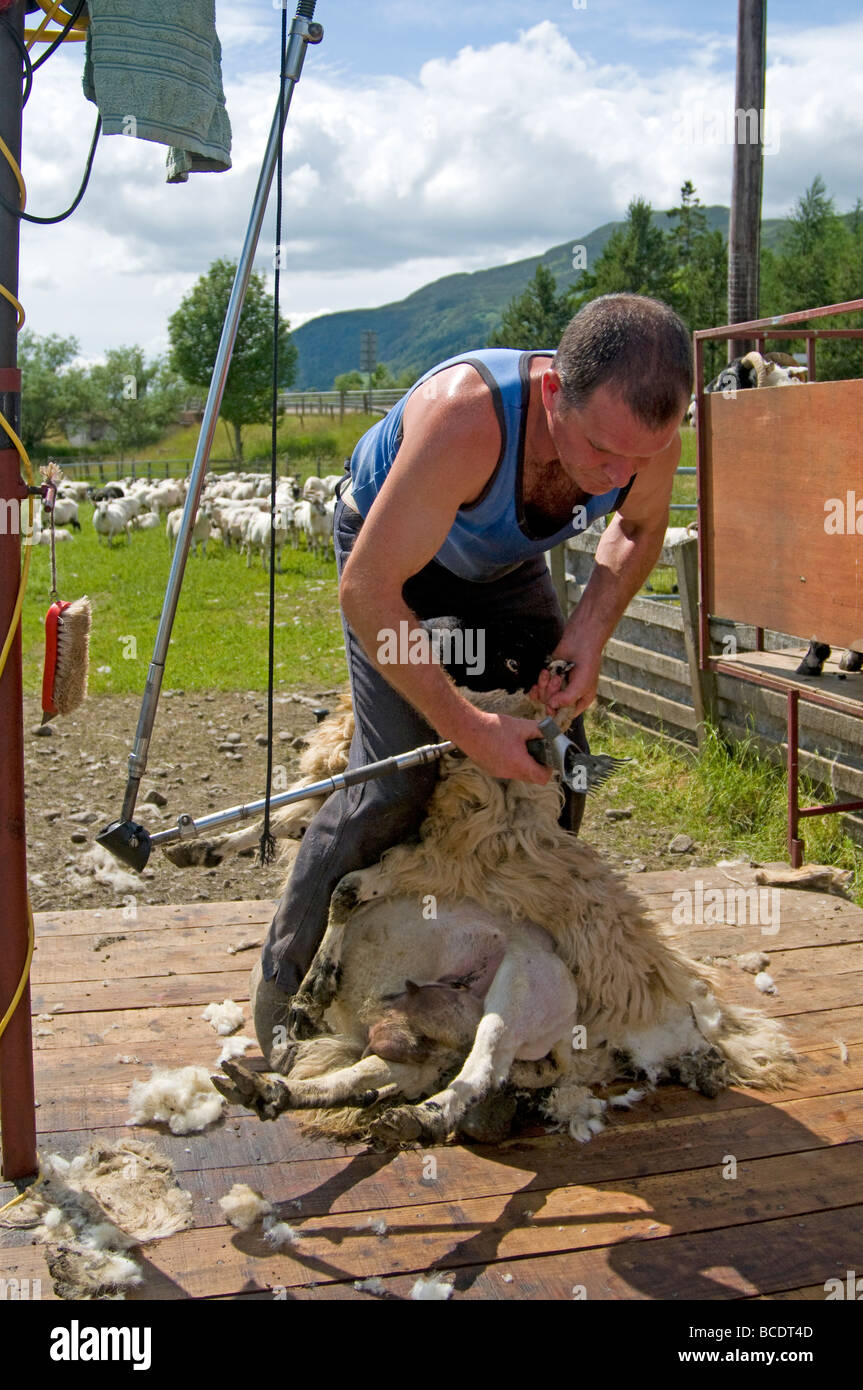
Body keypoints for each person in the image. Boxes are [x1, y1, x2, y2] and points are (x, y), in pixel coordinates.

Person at [252, 292, 693, 1063]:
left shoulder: (641, 441)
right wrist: (468, 726)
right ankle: (285, 995)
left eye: (637, 458)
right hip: (397, 564)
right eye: (598, 452)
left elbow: (638, 526)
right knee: (395, 778)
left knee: (562, 765)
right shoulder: (466, 421)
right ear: (554, 392)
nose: (612, 477)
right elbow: (367, 592)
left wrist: (586, 637)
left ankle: (504, 970)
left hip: (500, 564)